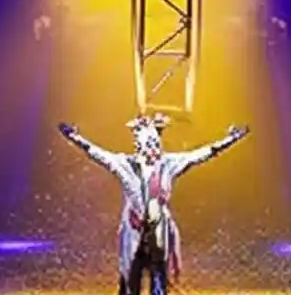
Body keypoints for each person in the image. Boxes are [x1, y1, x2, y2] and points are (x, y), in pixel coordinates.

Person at [58, 114, 250, 294]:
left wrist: (230, 140)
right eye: (147, 143)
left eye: (155, 143)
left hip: (158, 230)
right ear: (138, 145)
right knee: (130, 280)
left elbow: (202, 154)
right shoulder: (124, 164)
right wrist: (74, 137)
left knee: (159, 278)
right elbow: (95, 153)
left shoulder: (168, 164)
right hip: (134, 229)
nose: (152, 148)